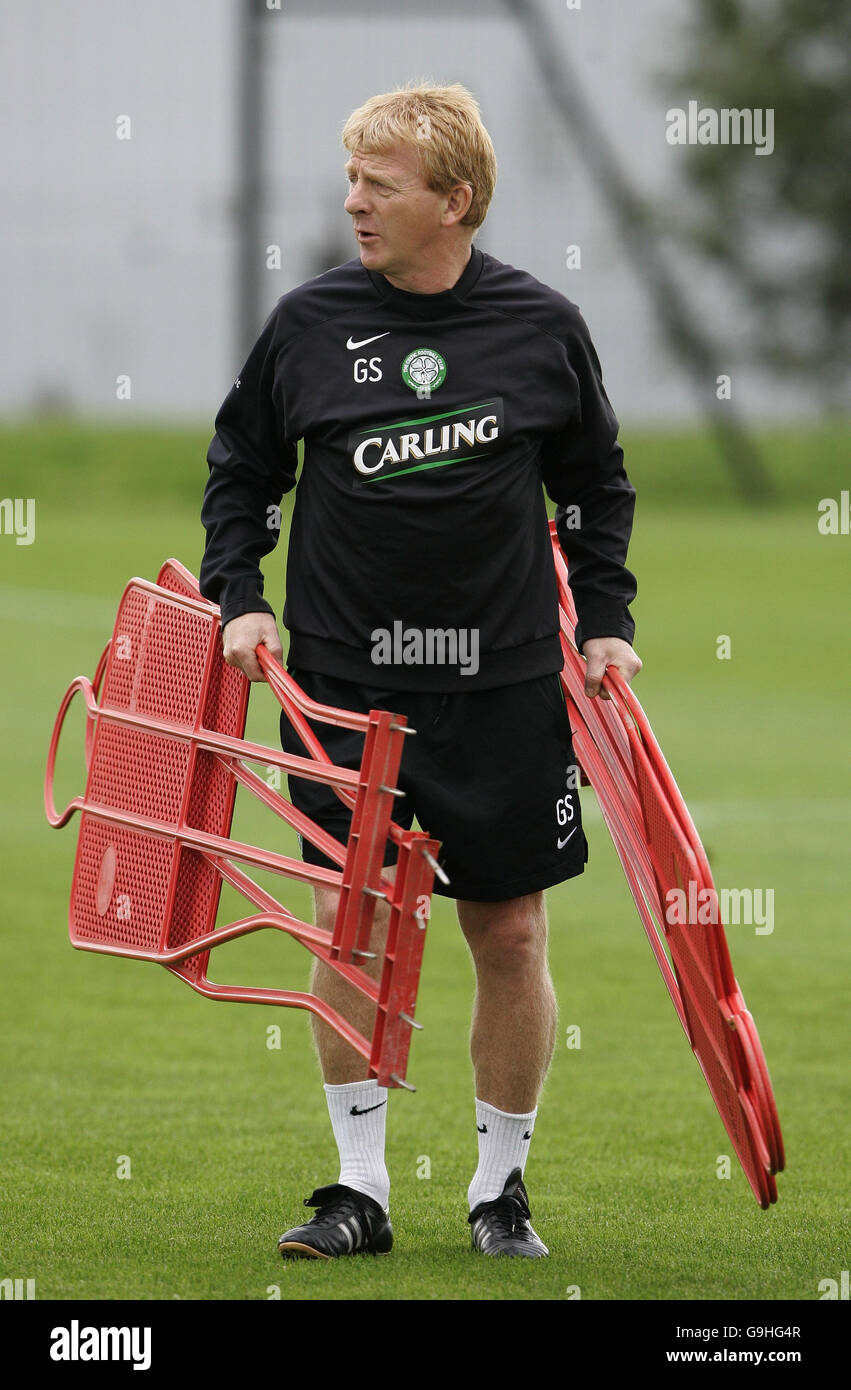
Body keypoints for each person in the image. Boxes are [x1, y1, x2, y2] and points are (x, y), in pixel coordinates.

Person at [200, 82, 640, 1260]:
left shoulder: (540, 327)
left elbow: (597, 486)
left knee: (506, 934)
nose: (352, 203)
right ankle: (357, 1191)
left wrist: (602, 619)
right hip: (346, 686)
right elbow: (240, 472)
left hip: (499, 689)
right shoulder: (306, 324)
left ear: (454, 200)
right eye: (351, 181)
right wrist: (237, 598)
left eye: (377, 185)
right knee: (348, 935)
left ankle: (500, 1193)